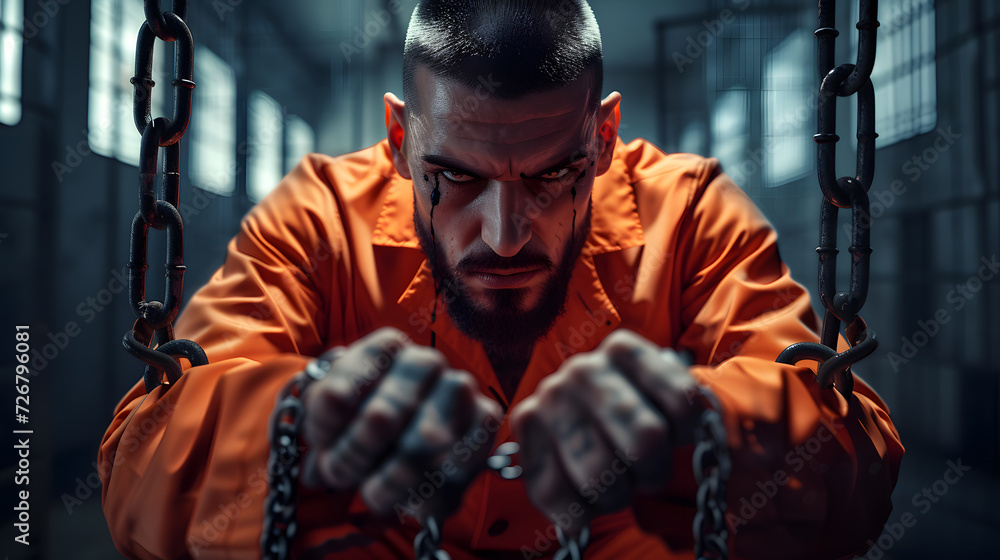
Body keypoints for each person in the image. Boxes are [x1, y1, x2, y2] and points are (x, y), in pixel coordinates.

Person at [99, 1, 904, 558]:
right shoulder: (320, 215)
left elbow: (856, 467)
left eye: (554, 175)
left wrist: (708, 432)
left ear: (604, 136)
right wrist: (293, 427)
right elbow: (139, 467)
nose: (505, 233)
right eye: (455, 176)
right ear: (399, 140)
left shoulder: (690, 213)